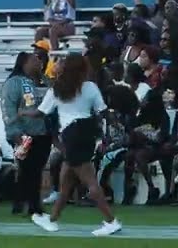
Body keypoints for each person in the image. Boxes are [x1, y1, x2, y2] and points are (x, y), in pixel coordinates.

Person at [23, 53, 122, 236]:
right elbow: (103, 111)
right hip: (88, 130)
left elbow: (40, 113)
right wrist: (114, 127)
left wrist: (22, 112)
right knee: (66, 181)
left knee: (90, 181)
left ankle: (111, 221)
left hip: (71, 133)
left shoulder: (57, 89)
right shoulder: (91, 87)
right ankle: (52, 220)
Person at [2, 51, 50, 217]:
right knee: (30, 169)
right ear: (24, 63)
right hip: (24, 133)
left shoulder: (46, 81)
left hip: (44, 132)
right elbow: (8, 108)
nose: (39, 63)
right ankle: (34, 206)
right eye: (34, 60)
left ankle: (19, 203)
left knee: (33, 169)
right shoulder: (14, 83)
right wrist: (15, 132)